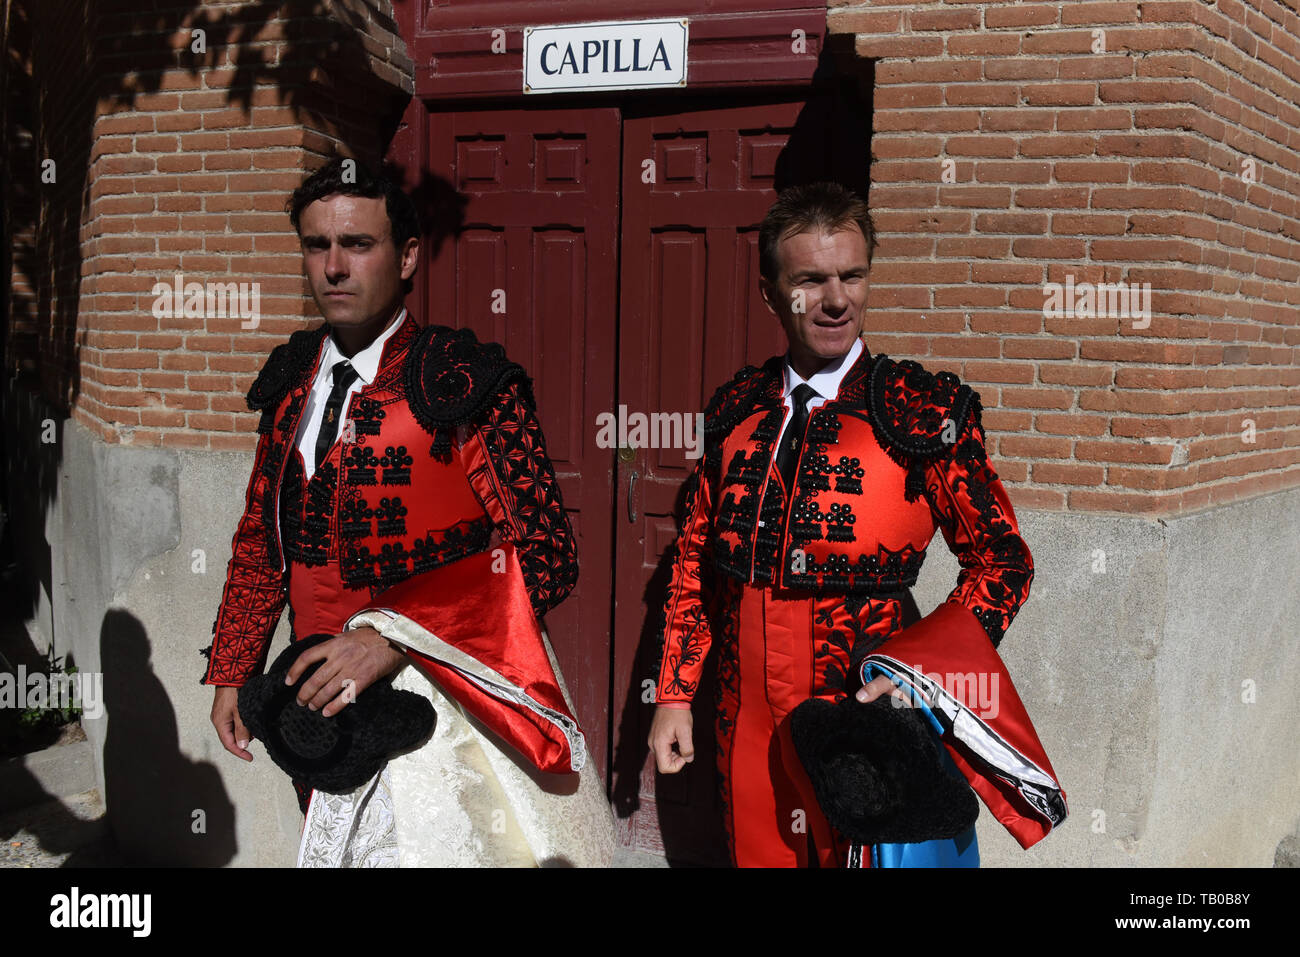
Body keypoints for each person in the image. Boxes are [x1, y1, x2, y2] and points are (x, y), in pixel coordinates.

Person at [202, 157, 613, 867]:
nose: (333, 266)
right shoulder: (291, 378)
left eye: (357, 244)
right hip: (315, 704)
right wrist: (233, 668)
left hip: (439, 706)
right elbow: (261, 540)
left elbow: (546, 552)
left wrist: (395, 640)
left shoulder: (464, 381)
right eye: (316, 245)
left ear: (409, 254)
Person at [647, 181, 1066, 867]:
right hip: (745, 719)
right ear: (771, 293)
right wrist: (673, 694)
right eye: (811, 280)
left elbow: (1003, 561)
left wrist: (923, 676)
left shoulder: (921, 409)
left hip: (867, 715)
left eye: (852, 274)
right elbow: (695, 563)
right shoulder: (735, 413)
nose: (837, 299)